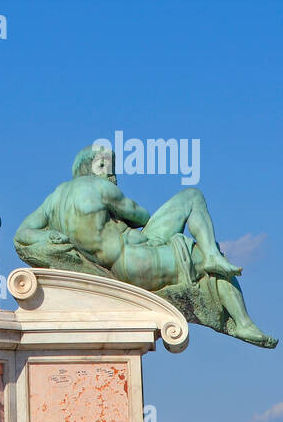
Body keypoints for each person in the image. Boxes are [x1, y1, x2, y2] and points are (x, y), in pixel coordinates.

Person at [15, 145, 277, 348]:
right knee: (194, 207)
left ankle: (212, 259)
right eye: (104, 165)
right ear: (87, 168)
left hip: (122, 262)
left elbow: (22, 233)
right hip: (139, 259)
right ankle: (241, 320)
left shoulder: (55, 198)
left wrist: (48, 238)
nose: (111, 172)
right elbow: (141, 216)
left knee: (192, 205)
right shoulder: (101, 188)